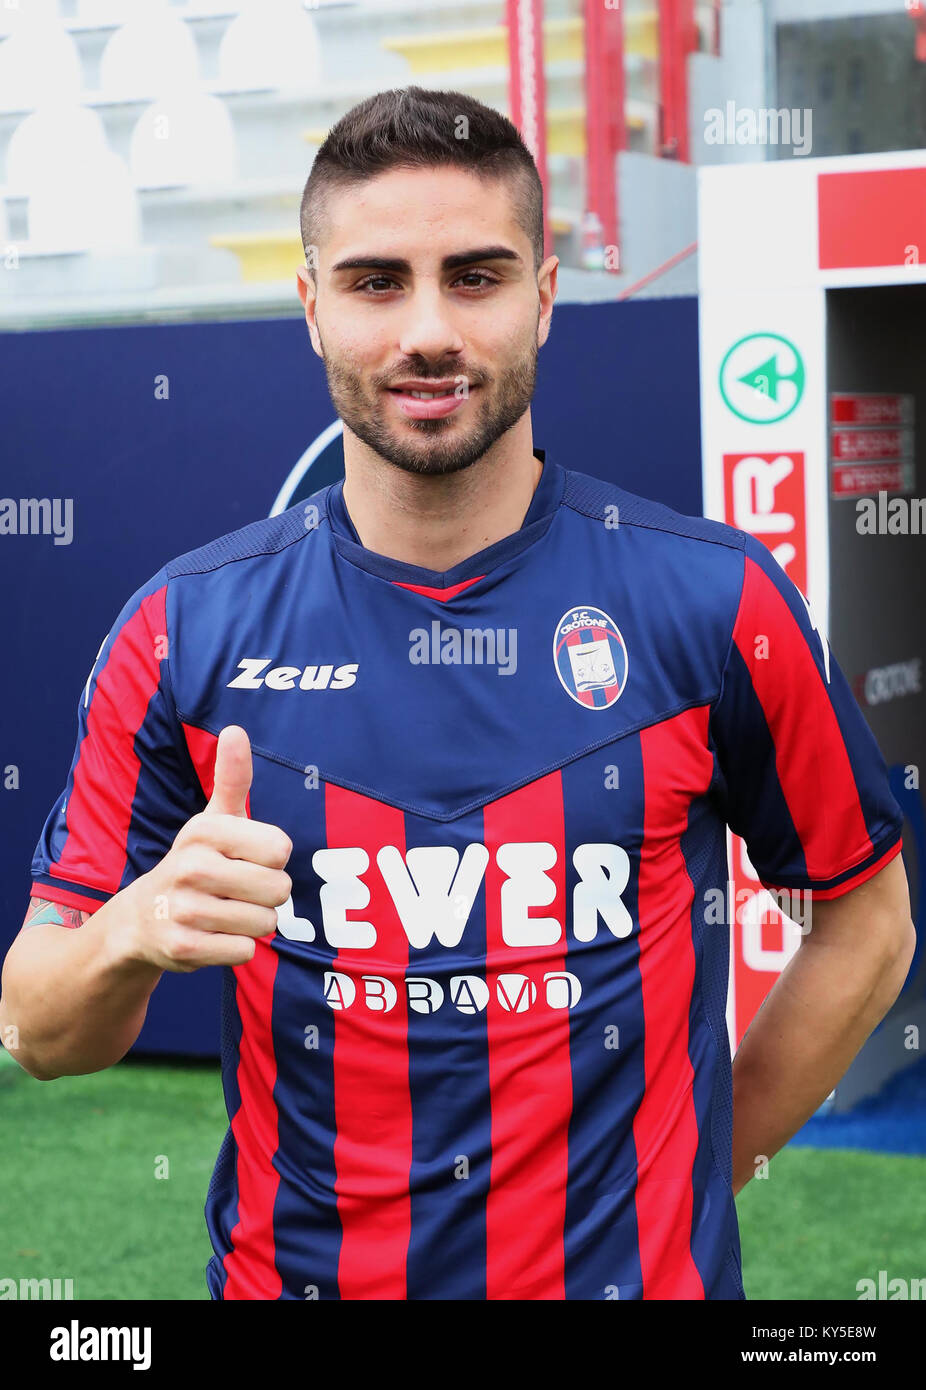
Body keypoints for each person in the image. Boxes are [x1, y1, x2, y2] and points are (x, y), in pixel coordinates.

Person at [0, 86, 915, 1301]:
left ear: (542, 294)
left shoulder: (715, 600)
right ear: (311, 307)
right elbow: (40, 1030)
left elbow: (865, 921)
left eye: (474, 277)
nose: (426, 329)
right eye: (377, 281)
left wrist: (704, 1164)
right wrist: (134, 928)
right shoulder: (182, 629)